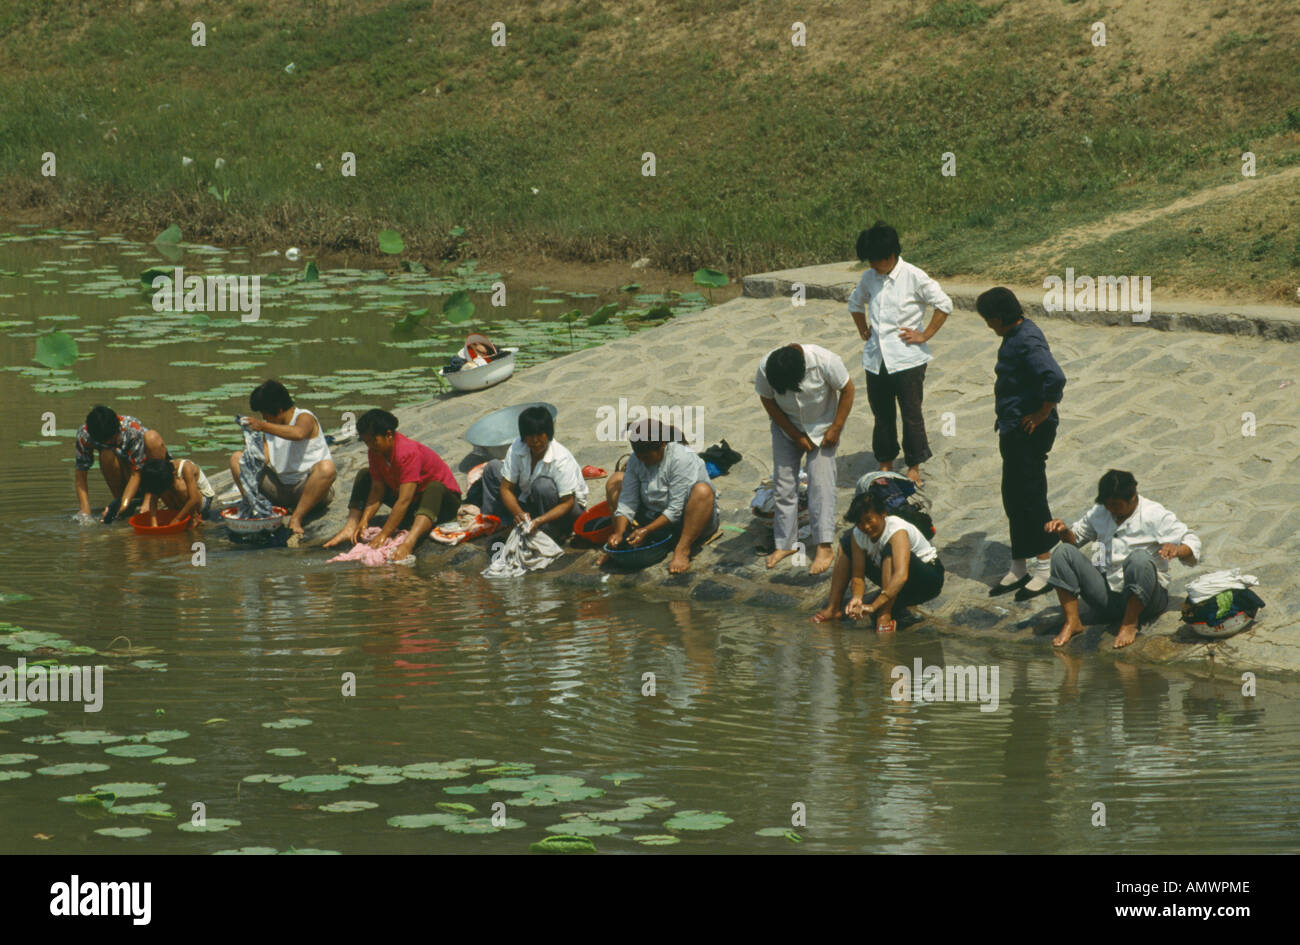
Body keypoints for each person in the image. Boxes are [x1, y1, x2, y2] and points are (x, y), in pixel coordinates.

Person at [977, 287, 1067, 601]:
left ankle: (1045, 566)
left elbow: (1054, 377)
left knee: (1031, 496)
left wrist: (1043, 412)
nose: (988, 326)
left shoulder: (1027, 340)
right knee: (1013, 496)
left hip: (1029, 432)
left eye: (988, 320)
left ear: (999, 319)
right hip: (1012, 430)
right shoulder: (1014, 336)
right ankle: (1019, 565)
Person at [1045, 469, 1201, 650]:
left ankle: (1129, 623)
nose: (1111, 510)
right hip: (1108, 596)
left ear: (1133, 498)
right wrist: (1064, 531)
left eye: (1116, 505)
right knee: (1062, 552)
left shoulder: (1154, 514)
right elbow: (1074, 540)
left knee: (1139, 558)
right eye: (1107, 505)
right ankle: (1073, 622)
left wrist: (1177, 549)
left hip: (1147, 600)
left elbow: (1192, 541)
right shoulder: (1101, 511)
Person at [847, 221, 952, 487]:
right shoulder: (868, 278)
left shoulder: (914, 276)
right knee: (882, 414)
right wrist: (863, 330)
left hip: (907, 359)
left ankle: (914, 464)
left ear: (890, 255)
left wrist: (925, 334)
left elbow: (944, 304)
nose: (870, 265)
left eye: (874, 259)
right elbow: (855, 303)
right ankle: (885, 462)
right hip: (876, 359)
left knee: (911, 413)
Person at [754, 343, 854, 574]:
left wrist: (836, 427)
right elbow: (767, 400)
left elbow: (848, 389)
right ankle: (785, 544)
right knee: (783, 482)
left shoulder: (826, 361)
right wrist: (794, 434)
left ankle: (824, 545)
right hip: (786, 428)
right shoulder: (765, 367)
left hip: (824, 428)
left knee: (820, 483)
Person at [323, 409, 461, 562]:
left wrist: (384, 535)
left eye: (373, 441)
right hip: (415, 504)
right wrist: (364, 520)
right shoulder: (375, 451)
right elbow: (377, 489)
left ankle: (410, 541)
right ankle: (350, 526)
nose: (370, 446)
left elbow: (404, 500)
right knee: (365, 475)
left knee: (434, 487)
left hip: (440, 504)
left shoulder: (407, 452)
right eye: (366, 442)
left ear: (388, 435)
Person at [604, 418, 718, 574]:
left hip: (687, 521)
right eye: (639, 456)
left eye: (647, 457)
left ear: (663, 445)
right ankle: (623, 541)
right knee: (616, 479)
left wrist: (646, 530)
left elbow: (676, 509)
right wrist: (619, 532)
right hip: (653, 517)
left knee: (702, 491)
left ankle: (683, 549)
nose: (642, 461)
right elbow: (627, 501)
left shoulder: (681, 458)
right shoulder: (635, 459)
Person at [229, 380, 336, 538]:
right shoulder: (270, 426)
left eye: (265, 414)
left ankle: (296, 518)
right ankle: (254, 508)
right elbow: (262, 460)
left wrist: (262, 426)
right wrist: (253, 445)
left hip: (307, 488)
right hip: (280, 489)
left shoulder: (304, 417)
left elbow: (298, 433)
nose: (264, 418)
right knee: (236, 458)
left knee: (327, 468)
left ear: (279, 410)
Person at [833, 490, 944, 632]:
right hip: (901, 587)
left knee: (889, 551)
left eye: (869, 520)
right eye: (860, 523)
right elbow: (858, 576)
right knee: (846, 542)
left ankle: (885, 614)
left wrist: (874, 606)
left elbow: (901, 575)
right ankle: (833, 608)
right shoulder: (858, 534)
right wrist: (857, 598)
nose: (866, 527)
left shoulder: (896, 529)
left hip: (926, 582)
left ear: (883, 513)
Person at [477, 406, 587, 542]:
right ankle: (495, 523)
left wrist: (539, 521)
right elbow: (506, 488)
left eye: (540, 434)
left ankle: (552, 531)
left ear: (548, 433)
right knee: (492, 467)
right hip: (531, 499)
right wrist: (519, 513)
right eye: (530, 435)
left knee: (542, 485)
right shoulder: (518, 446)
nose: (535, 440)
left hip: (567, 510)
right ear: (523, 436)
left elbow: (567, 503)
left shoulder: (560, 458)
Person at [74, 406, 170, 524]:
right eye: (105, 441)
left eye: (113, 438)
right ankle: (120, 504)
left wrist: (144, 504)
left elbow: (137, 472)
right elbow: (80, 474)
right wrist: (85, 510)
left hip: (150, 476)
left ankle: (151, 500)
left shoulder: (133, 431)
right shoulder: (84, 435)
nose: (111, 442)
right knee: (106, 455)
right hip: (128, 476)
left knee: (152, 438)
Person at [138, 456, 217, 526]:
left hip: (202, 500)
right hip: (181, 500)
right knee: (163, 489)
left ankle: (194, 517)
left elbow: (194, 498)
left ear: (173, 474)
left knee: (180, 487)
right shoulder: (160, 472)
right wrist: (154, 524)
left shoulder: (186, 467)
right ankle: (180, 512)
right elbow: (153, 497)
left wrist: (177, 519)